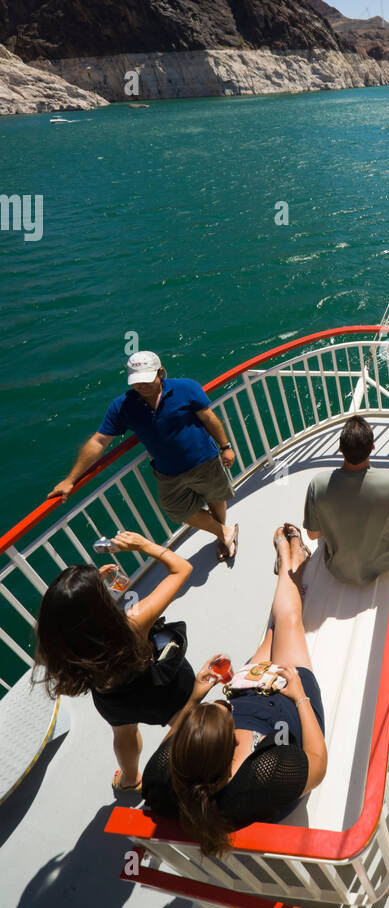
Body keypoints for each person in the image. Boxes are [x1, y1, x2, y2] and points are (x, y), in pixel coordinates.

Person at [142, 525, 327, 855]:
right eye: (223, 709)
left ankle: (290, 572)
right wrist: (299, 695)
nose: (224, 701)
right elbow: (318, 764)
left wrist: (197, 695)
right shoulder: (263, 773)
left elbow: (176, 736)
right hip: (287, 709)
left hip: (252, 700)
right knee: (288, 621)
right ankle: (289, 561)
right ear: (228, 745)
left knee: (271, 634)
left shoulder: (160, 778)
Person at [35, 531, 194, 792]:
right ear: (98, 605)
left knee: (123, 734)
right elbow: (181, 569)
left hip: (113, 700)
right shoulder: (134, 622)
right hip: (161, 688)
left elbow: (77, 621)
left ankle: (130, 779)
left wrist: (89, 593)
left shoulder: (63, 645)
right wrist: (143, 544)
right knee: (186, 723)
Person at [51, 350, 239, 565]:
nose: (142, 386)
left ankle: (222, 538)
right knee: (177, 510)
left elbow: (208, 417)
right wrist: (70, 479)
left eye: (147, 379)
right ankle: (224, 531)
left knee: (216, 498)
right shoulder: (123, 406)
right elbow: (98, 441)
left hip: (204, 461)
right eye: (136, 381)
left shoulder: (186, 387)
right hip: (167, 473)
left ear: (160, 372)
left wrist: (226, 447)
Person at [303, 416, 389, 585]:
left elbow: (313, 534)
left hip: (338, 569)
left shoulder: (318, 485)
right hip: (384, 564)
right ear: (372, 447)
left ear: (340, 449)